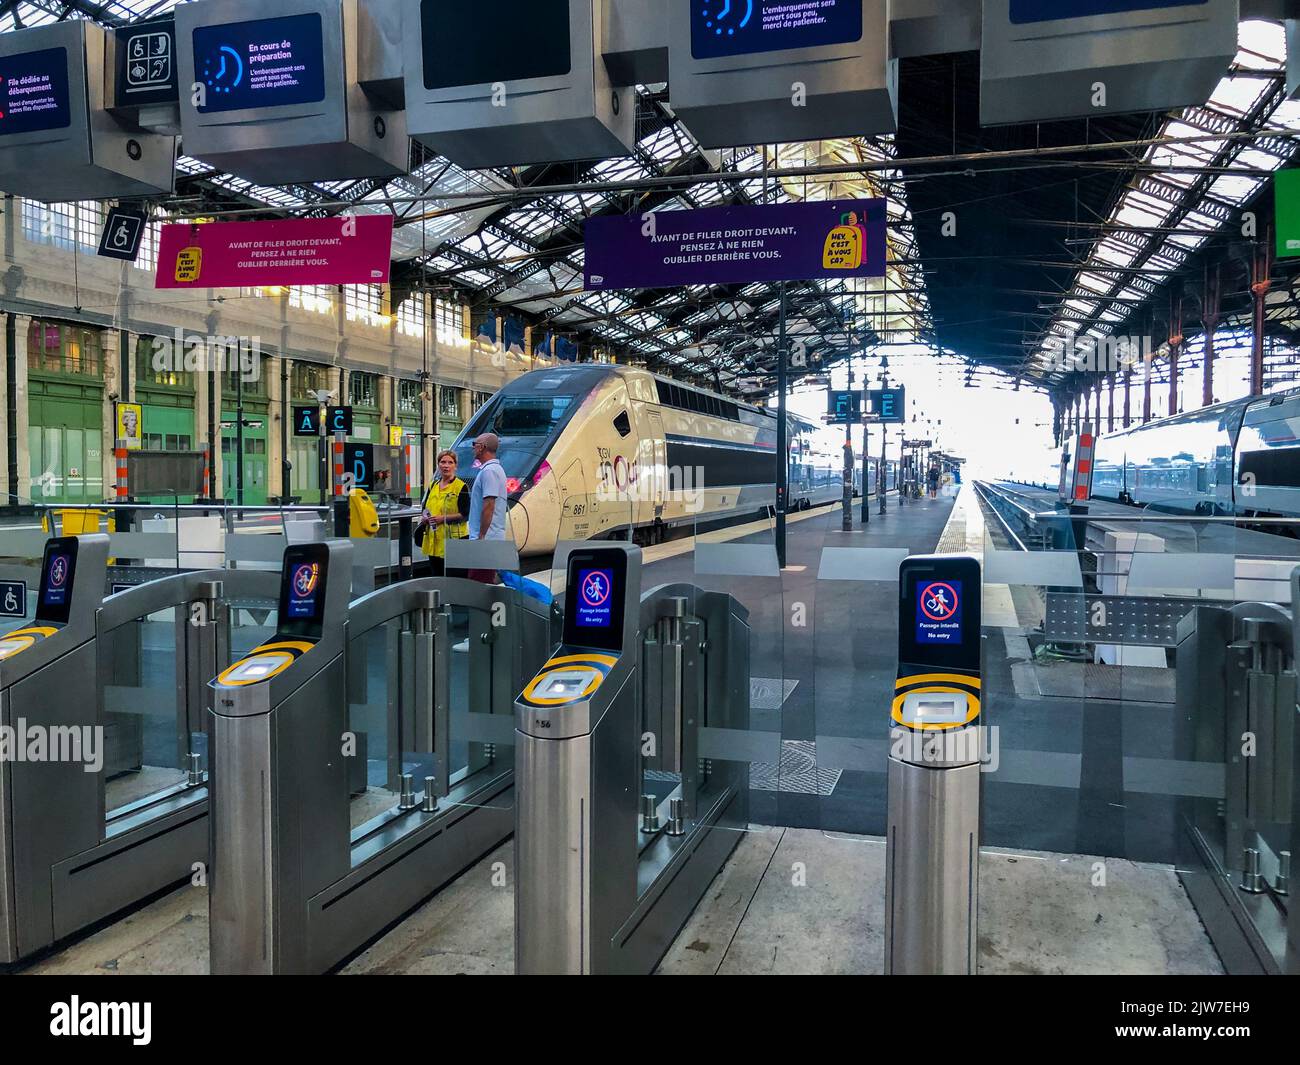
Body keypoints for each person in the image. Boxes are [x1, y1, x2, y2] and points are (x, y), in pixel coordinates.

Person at [417, 449, 468, 576]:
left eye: (450, 462)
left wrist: (442, 519)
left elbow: (465, 514)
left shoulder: (461, 486)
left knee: (454, 578)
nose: (446, 465)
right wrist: (425, 518)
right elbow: (426, 507)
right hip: (434, 541)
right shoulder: (433, 485)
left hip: (454, 541)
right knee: (437, 576)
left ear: (455, 466)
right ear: (438, 465)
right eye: (443, 462)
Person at [467, 432, 508, 583]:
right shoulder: (493, 469)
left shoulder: (489, 471)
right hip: (488, 539)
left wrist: (482, 536)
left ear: (481, 447)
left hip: (486, 540)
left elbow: (489, 504)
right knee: (483, 582)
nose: (473, 448)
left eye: (474, 444)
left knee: (479, 584)